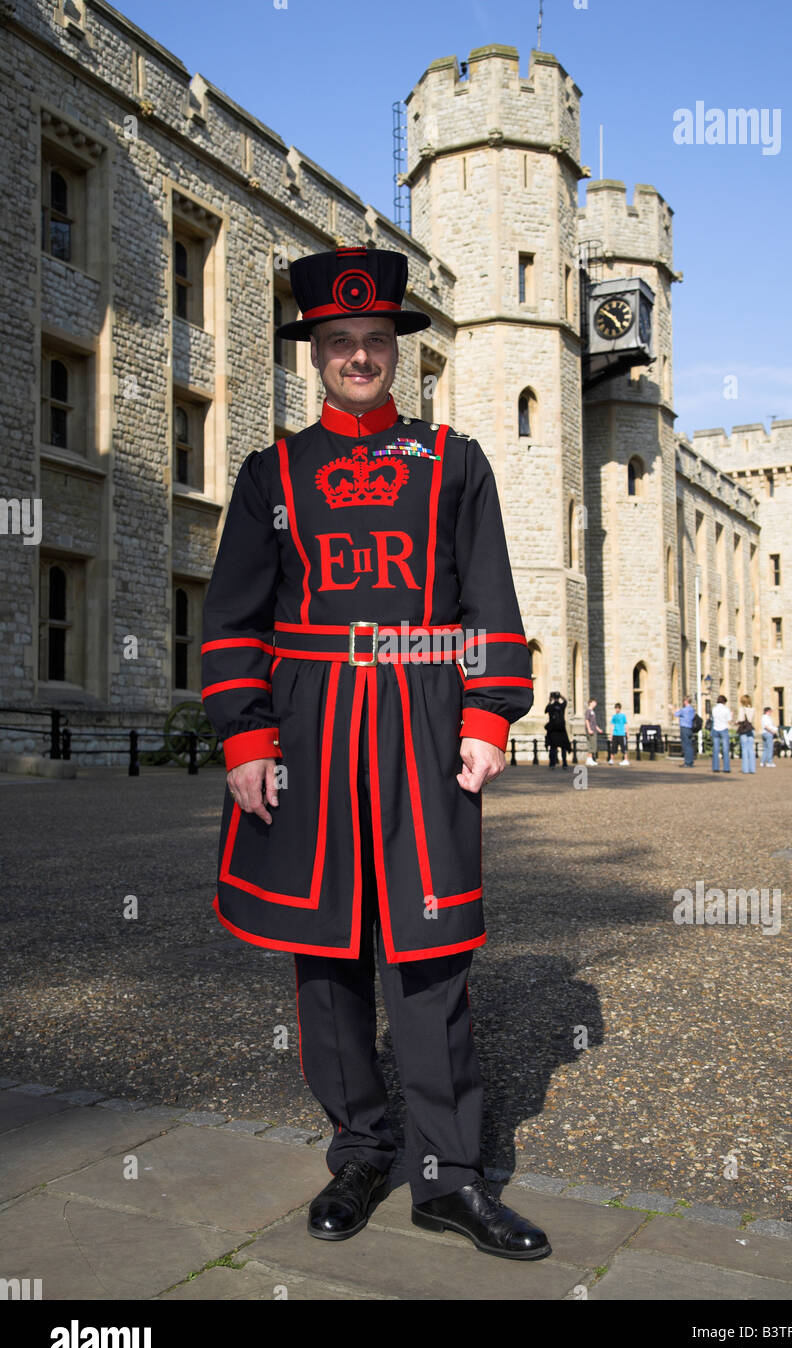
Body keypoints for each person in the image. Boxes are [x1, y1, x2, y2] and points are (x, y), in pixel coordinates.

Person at [201, 246, 550, 1260]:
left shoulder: (455, 462)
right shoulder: (271, 472)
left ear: (398, 351)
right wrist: (246, 734)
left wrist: (488, 719)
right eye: (338, 341)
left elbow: (490, 599)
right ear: (313, 353)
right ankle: (359, 1146)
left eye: (374, 341)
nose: (358, 355)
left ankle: (449, 1175)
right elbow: (232, 619)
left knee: (431, 956)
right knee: (325, 953)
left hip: (422, 725)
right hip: (306, 735)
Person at [544, 691, 572, 768]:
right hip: (561, 729)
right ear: (558, 698)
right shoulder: (561, 706)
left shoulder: (551, 706)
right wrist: (561, 696)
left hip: (553, 730)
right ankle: (564, 763)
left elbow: (545, 710)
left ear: (553, 698)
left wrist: (550, 700)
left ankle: (552, 763)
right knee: (563, 747)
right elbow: (566, 701)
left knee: (553, 747)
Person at [710, 694, 732, 772]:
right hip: (723, 728)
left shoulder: (714, 709)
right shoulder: (726, 709)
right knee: (725, 749)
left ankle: (715, 767)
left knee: (716, 749)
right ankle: (726, 768)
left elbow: (712, 718)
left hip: (715, 728)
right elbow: (729, 720)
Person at [673, 695, 696, 766]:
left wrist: (672, 708)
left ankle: (687, 762)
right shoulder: (692, 709)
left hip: (684, 728)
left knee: (686, 745)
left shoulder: (684, 710)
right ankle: (691, 761)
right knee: (690, 745)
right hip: (690, 728)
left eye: (684, 701)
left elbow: (675, 714)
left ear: (686, 701)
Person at [737, 693, 757, 774]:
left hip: (744, 730)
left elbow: (741, 719)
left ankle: (745, 769)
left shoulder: (742, 709)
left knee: (745, 750)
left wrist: (736, 722)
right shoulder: (753, 709)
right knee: (751, 750)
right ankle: (752, 768)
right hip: (750, 729)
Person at [584, 697, 601, 766]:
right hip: (590, 730)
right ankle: (589, 759)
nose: (595, 704)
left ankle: (590, 759)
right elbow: (587, 720)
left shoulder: (592, 711)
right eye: (594, 702)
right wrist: (589, 729)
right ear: (590, 703)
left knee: (593, 744)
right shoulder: (588, 711)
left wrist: (598, 729)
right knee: (591, 744)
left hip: (593, 729)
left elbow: (594, 722)